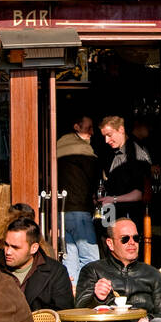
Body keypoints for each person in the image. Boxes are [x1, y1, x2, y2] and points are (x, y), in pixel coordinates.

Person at [58, 115, 102, 281]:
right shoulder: (84, 153)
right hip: (79, 210)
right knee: (90, 259)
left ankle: (74, 295)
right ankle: (89, 297)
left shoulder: (57, 148)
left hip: (61, 211)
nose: (92, 132)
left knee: (70, 260)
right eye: (88, 128)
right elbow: (96, 180)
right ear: (76, 127)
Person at [97, 116, 152, 226]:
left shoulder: (135, 154)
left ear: (121, 130)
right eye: (104, 136)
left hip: (128, 218)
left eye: (109, 135)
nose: (106, 140)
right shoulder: (116, 153)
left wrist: (113, 199)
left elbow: (139, 194)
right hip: (112, 214)